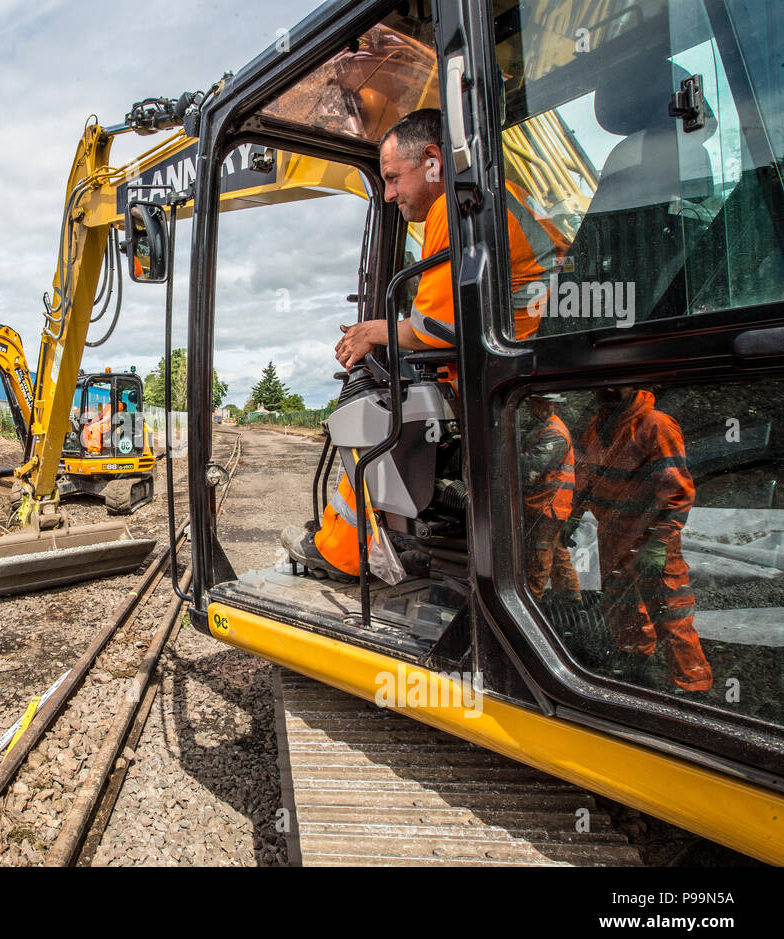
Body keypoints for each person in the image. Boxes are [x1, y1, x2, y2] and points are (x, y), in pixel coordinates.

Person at [284, 107, 567, 579]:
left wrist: (371, 331)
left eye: (394, 178)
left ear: (433, 160)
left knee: (374, 421)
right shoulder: (496, 203)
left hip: (518, 411)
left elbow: (439, 330)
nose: (390, 194)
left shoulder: (452, 207)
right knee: (544, 568)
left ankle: (344, 551)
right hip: (532, 405)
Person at [566, 387, 712, 693]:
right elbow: (585, 477)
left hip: (649, 535)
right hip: (611, 532)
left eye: (616, 381)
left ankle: (693, 687)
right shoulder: (597, 427)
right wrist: (573, 515)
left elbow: (676, 491)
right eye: (600, 381)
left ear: (634, 382)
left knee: (670, 609)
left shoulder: (655, 425)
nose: (607, 388)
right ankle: (634, 660)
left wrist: (658, 542)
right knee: (620, 604)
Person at [520, 394, 580, 602]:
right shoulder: (542, 428)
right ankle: (572, 602)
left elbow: (530, 468)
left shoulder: (554, 433)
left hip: (548, 505)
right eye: (535, 402)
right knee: (558, 557)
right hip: (546, 504)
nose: (536, 407)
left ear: (553, 404)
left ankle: (533, 602)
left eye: (542, 402)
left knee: (539, 558)